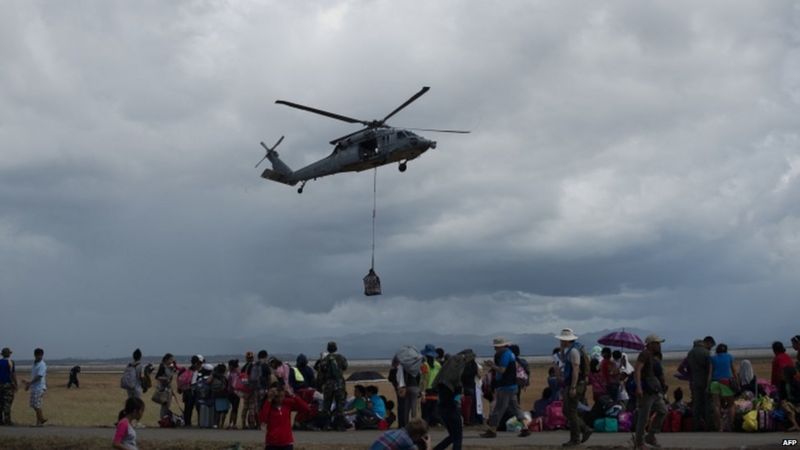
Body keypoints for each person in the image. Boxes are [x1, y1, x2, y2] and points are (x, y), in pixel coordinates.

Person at [480, 337, 530, 438]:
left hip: (505, 386)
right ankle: (525, 427)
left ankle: (492, 430)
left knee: (498, 408)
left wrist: (492, 365)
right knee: (515, 408)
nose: (495, 349)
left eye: (496, 347)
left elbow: (502, 370)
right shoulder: (510, 354)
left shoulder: (504, 355)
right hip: (512, 385)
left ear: (501, 346)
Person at [431, 349, 474, 450]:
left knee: (453, 436)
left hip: (442, 409)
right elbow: (457, 398)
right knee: (458, 436)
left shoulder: (442, 379)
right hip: (451, 409)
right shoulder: (456, 382)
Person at [556, 329, 591, 446]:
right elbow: (562, 360)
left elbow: (576, 369)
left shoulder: (574, 352)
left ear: (566, 340)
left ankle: (576, 438)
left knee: (570, 411)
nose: (560, 341)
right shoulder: (571, 350)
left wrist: (573, 387)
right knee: (568, 411)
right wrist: (561, 350)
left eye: (562, 340)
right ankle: (584, 429)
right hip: (573, 383)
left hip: (574, 384)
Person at [634, 335, 667, 450]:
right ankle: (639, 443)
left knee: (663, 410)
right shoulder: (644, 354)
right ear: (650, 344)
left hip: (654, 390)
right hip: (646, 391)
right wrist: (639, 388)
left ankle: (651, 435)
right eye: (657, 343)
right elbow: (637, 370)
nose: (659, 345)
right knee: (644, 417)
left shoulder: (652, 356)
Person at [258, 383, 311, 450]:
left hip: (287, 443)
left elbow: (306, 408)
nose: (280, 399)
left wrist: (292, 395)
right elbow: (263, 419)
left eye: (282, 396)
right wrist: (269, 400)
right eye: (277, 397)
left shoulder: (287, 403)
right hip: (272, 443)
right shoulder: (267, 406)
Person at [318, 341, 348, 430]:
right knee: (340, 405)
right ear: (336, 348)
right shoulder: (341, 357)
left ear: (328, 349)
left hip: (328, 384)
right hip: (339, 384)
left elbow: (321, 370)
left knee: (327, 404)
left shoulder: (325, 359)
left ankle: (326, 425)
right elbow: (345, 367)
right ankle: (339, 425)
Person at [686, 336, 714, 430]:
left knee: (696, 404)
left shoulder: (690, 353)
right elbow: (709, 369)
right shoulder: (706, 353)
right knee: (707, 403)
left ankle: (696, 425)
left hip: (694, 381)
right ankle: (708, 425)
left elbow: (688, 368)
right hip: (705, 381)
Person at [708, 343, 737, 432]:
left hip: (715, 382)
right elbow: (734, 371)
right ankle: (731, 425)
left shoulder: (713, 358)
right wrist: (737, 382)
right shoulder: (729, 357)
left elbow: (710, 373)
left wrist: (708, 385)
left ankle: (719, 427)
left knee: (716, 405)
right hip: (726, 382)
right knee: (731, 405)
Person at [23, 347, 47, 426]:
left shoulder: (42, 365)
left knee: (36, 405)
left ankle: (41, 419)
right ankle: (39, 423)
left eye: (40, 355)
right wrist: (29, 385)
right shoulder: (34, 364)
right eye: (37, 355)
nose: (39, 356)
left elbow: (39, 376)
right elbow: (33, 376)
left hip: (39, 387)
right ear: (35, 355)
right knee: (35, 404)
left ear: (42, 355)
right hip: (34, 387)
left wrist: (29, 383)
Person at [419, 344, 442, 427]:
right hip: (435, 389)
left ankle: (425, 425)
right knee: (434, 409)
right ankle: (434, 423)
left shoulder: (424, 365)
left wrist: (422, 392)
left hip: (427, 390)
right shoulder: (438, 365)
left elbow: (423, 380)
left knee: (425, 411)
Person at [154, 353, 176, 420]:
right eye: (171, 360)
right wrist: (165, 379)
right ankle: (163, 419)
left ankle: (165, 419)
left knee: (167, 405)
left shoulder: (169, 367)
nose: (172, 361)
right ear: (166, 360)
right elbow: (157, 377)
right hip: (163, 389)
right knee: (164, 405)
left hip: (168, 388)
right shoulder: (163, 367)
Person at [0, 347, 18, 425]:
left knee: (0, 403)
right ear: (9, 354)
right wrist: (15, 384)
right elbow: (13, 374)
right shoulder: (11, 362)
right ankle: (7, 420)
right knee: (7, 403)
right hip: (7, 384)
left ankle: (0, 420)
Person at [210, 363, 230, 429]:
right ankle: (222, 424)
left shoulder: (214, 375)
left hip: (216, 395)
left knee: (217, 411)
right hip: (224, 395)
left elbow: (208, 381)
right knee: (224, 411)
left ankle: (217, 424)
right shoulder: (225, 376)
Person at [226, 359, 241, 429]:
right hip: (235, 393)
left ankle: (231, 423)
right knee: (235, 409)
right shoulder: (236, 374)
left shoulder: (230, 374)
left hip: (230, 392)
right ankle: (233, 424)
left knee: (234, 409)